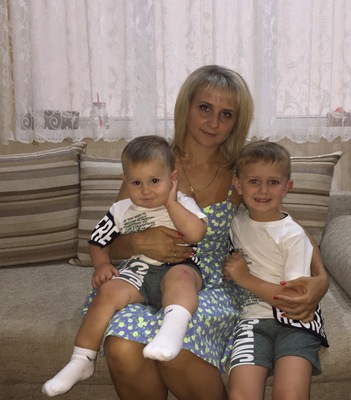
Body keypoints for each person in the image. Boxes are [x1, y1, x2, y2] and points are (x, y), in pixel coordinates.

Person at [83, 65, 329, 400]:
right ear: (186, 106)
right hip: (143, 277)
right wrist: (139, 241)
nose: (213, 122)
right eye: (204, 108)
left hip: (208, 283)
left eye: (226, 114)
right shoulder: (152, 165)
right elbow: (108, 240)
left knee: (180, 349)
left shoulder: (239, 173)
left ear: (237, 121)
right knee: (121, 347)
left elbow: (285, 225)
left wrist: (321, 278)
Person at [42, 135, 208, 397]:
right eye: (136, 183)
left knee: (182, 279)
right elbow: (97, 241)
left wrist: (172, 203)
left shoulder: (182, 202)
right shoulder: (120, 210)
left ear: (172, 178)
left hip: (180, 266)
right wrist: (101, 265)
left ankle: (171, 332)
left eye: (155, 181)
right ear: (125, 181)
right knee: (108, 291)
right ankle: (82, 359)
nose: (146, 190)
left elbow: (197, 233)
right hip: (138, 273)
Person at [223, 140, 329, 400]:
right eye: (254, 181)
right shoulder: (234, 224)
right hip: (251, 321)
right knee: (240, 395)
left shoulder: (293, 235)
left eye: (273, 182)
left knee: (290, 394)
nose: (263, 190)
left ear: (286, 188)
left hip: (296, 323)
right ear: (238, 185)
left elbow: (294, 300)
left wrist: (244, 279)